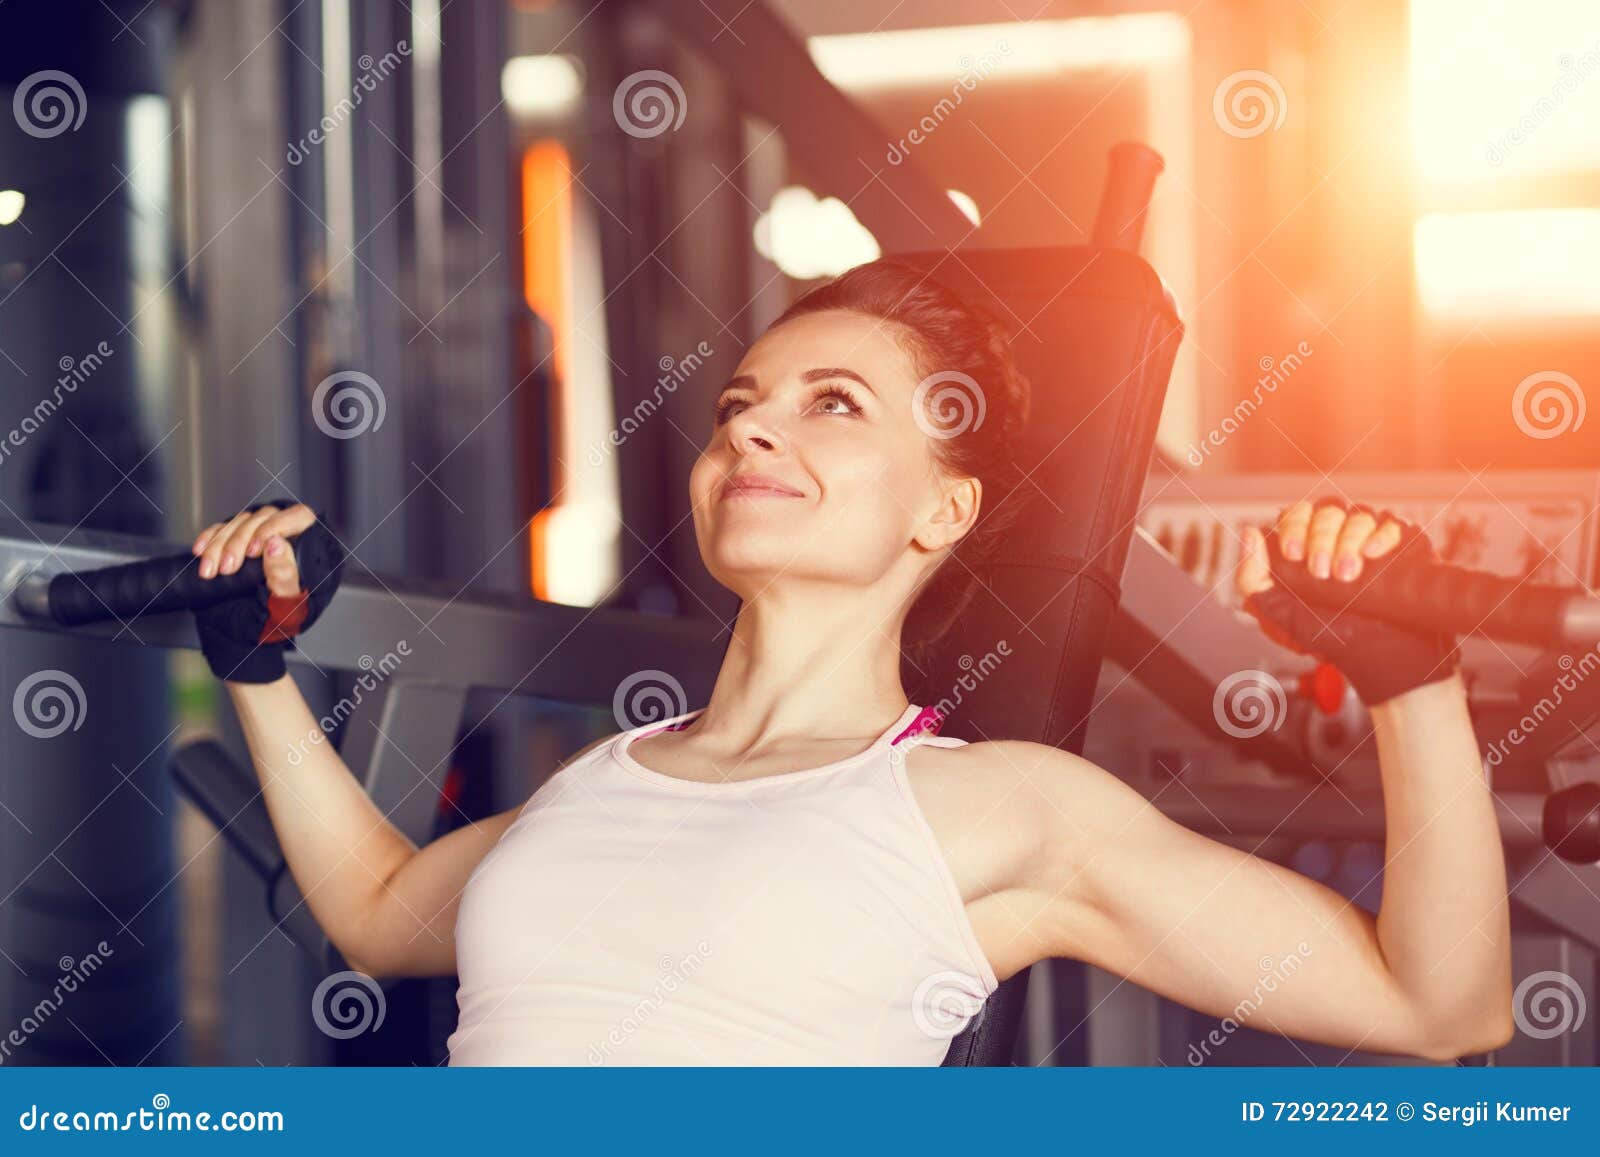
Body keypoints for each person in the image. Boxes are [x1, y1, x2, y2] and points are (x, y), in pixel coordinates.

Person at [191, 258, 1512, 1066]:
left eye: (834, 405)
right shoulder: (605, 775)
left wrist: (1414, 683)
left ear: (944, 512)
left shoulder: (1000, 806)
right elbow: (375, 913)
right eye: (736, 410)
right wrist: (257, 673)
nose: (753, 431)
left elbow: (1438, 1006)